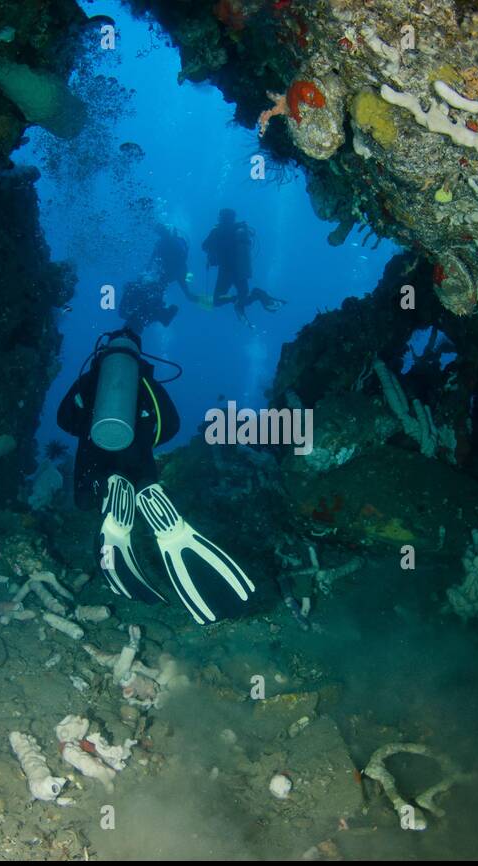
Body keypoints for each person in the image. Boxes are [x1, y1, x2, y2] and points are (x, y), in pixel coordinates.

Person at [56, 329, 256, 624]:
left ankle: (109, 491)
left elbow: (63, 418)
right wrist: (146, 437)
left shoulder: (89, 380)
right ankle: (148, 493)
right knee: (142, 483)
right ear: (139, 354)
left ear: (105, 351)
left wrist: (88, 428)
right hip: (138, 457)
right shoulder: (145, 381)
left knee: (87, 500)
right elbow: (171, 424)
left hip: (94, 453)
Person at [201, 209, 286, 323]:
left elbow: (204, 246)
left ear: (221, 217)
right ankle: (257, 294)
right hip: (241, 270)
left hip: (225, 271)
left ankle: (238, 300)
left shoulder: (217, 230)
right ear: (233, 218)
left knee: (216, 301)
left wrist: (212, 251)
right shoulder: (239, 229)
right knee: (244, 297)